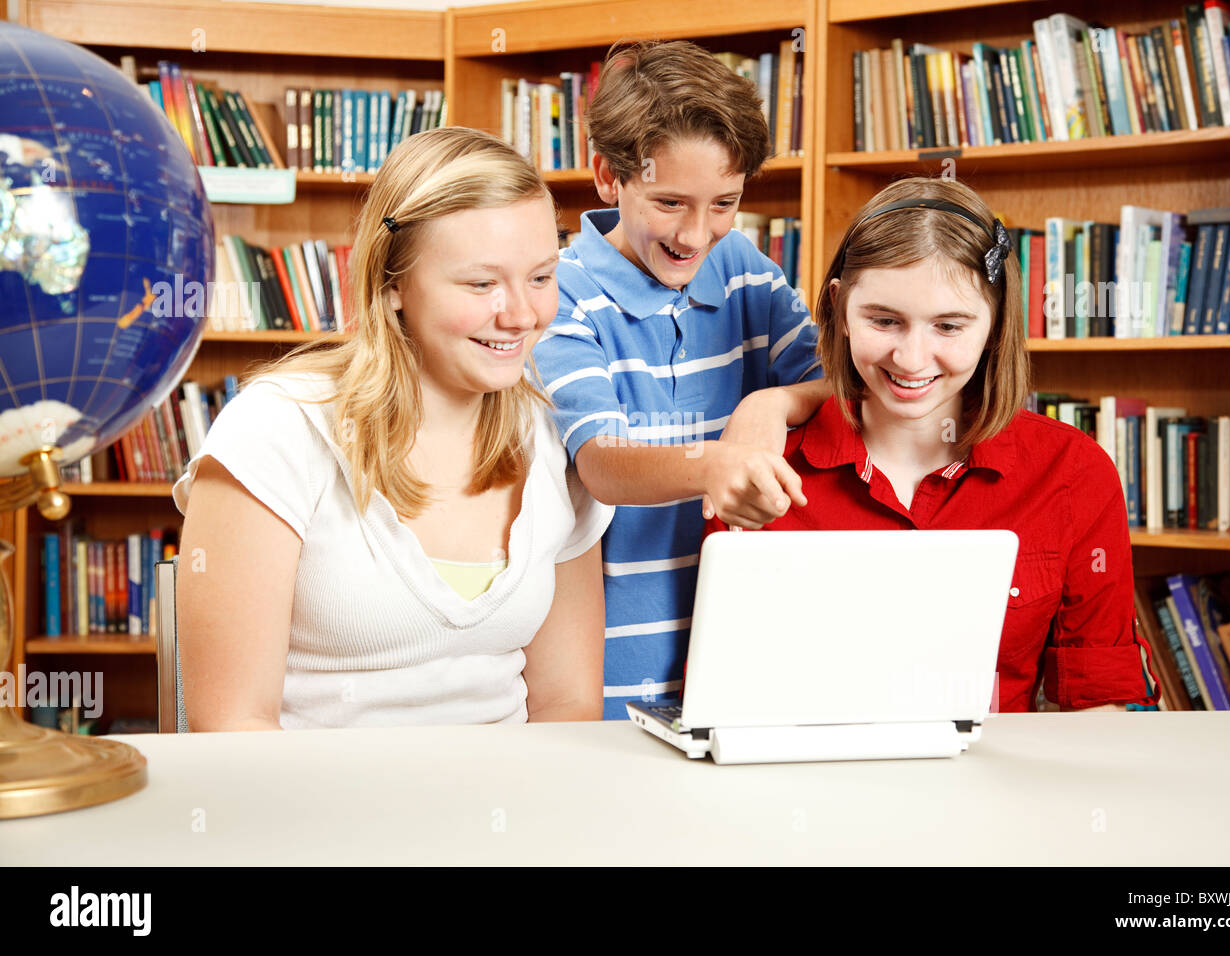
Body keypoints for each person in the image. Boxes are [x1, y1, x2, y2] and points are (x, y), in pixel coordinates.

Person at [173, 127, 613, 731]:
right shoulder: (275, 430)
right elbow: (233, 725)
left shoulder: (553, 440)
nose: (521, 314)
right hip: (319, 816)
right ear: (393, 283)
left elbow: (568, 705)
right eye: (482, 283)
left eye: (540, 277)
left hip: (506, 815)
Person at [705, 177, 1161, 713]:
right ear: (840, 309)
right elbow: (724, 694)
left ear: (994, 325)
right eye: (884, 320)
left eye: (948, 326)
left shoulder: (1072, 472)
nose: (912, 359)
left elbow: (1101, 704)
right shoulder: (761, 470)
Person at [530, 40, 831, 719]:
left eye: (724, 202)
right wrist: (712, 464)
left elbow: (840, 387)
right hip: (612, 665)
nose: (697, 235)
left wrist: (770, 403)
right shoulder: (562, 292)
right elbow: (603, 464)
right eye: (670, 202)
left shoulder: (745, 267)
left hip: (750, 652)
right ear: (608, 175)